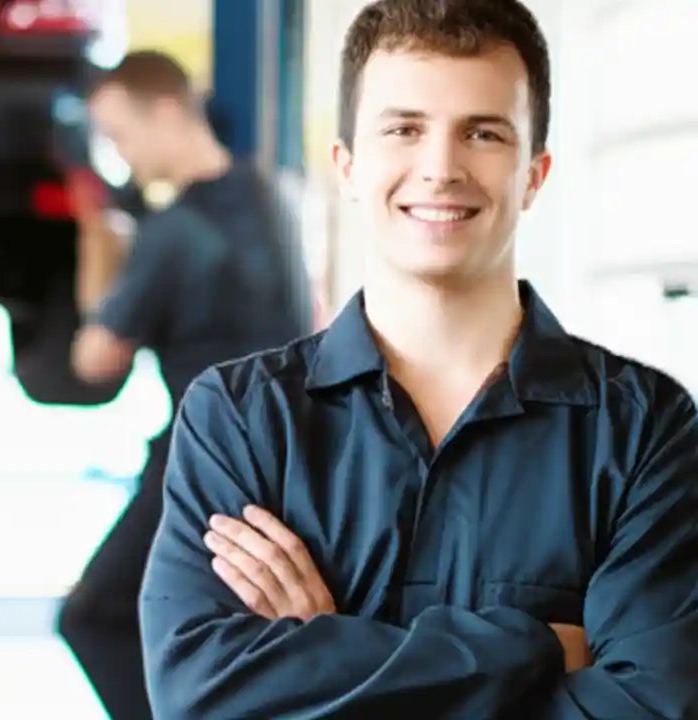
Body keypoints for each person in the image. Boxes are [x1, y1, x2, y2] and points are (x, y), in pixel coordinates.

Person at [139, 0, 698, 717]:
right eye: (404, 129)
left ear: (534, 174)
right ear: (346, 165)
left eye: (484, 133)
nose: (440, 168)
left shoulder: (642, 429)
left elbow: (652, 706)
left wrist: (329, 652)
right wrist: (534, 650)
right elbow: (200, 693)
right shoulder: (244, 418)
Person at [56, 51, 315, 720]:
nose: (121, 156)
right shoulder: (269, 199)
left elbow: (95, 362)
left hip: (199, 466)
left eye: (120, 136)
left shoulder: (175, 234)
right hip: (287, 464)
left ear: (166, 111)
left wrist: (96, 235)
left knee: (93, 618)